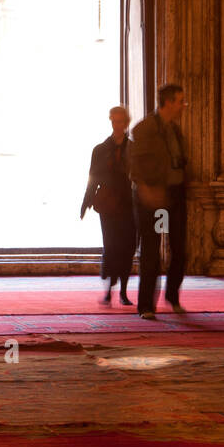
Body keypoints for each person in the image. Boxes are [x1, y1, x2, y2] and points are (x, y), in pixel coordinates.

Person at [129, 84, 189, 319]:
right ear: (169, 102)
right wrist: (145, 188)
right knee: (152, 250)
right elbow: (134, 164)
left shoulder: (175, 130)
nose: (184, 106)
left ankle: (172, 297)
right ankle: (146, 305)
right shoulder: (145, 129)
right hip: (152, 197)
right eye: (181, 101)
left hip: (174, 195)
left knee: (180, 249)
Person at [80, 106, 136, 306]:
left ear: (126, 123)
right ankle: (109, 290)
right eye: (114, 121)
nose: (117, 124)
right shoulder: (101, 149)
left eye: (120, 121)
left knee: (127, 248)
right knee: (111, 246)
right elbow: (92, 178)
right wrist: (86, 202)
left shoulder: (133, 149)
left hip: (129, 204)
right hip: (108, 204)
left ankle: (123, 291)